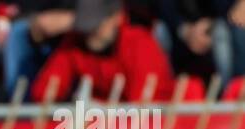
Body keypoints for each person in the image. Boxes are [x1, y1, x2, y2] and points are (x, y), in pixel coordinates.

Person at [31, 0, 175, 98]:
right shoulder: (75, 41)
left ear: (117, 17)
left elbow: (143, 106)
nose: (90, 32)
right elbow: (44, 91)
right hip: (101, 128)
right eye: (85, 23)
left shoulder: (140, 45)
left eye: (96, 25)